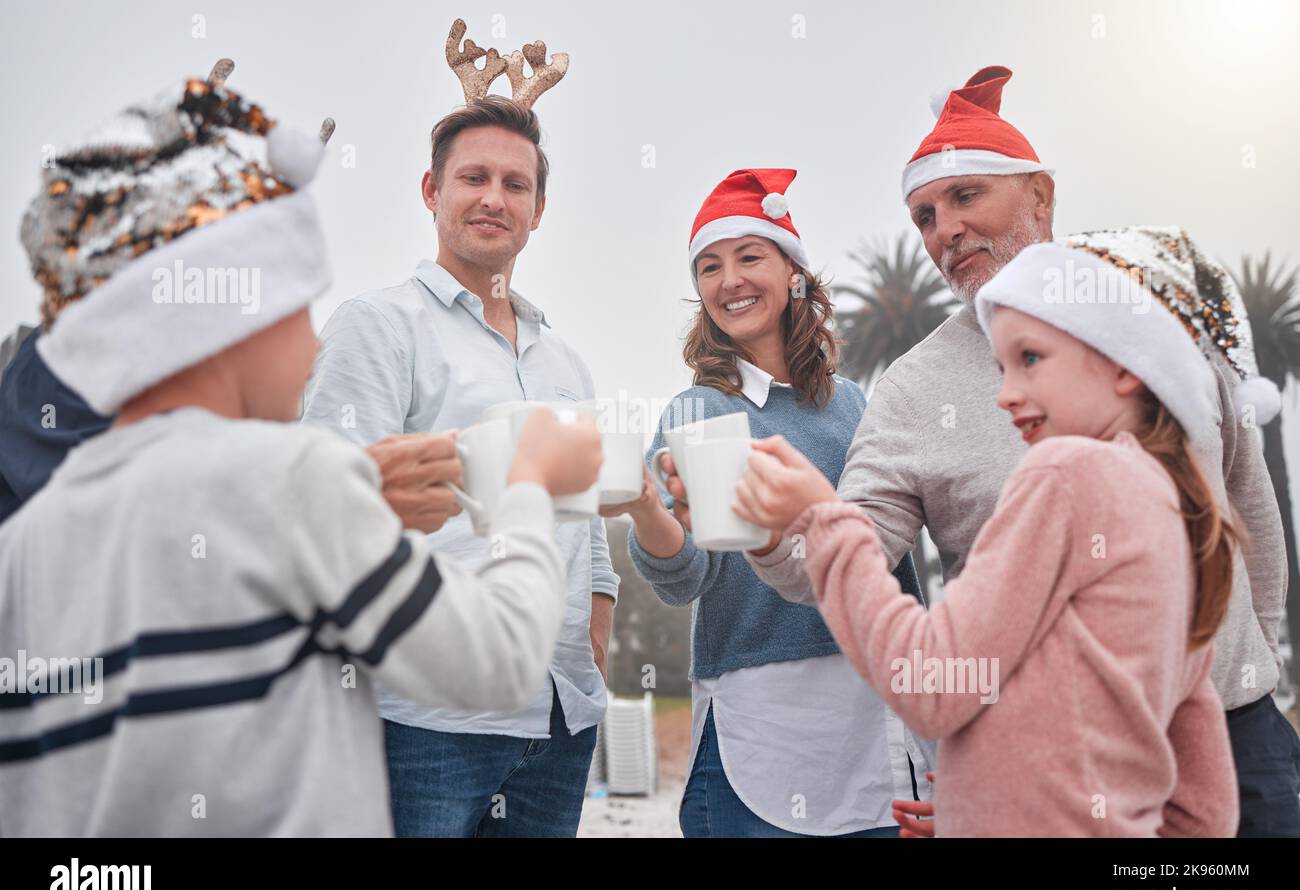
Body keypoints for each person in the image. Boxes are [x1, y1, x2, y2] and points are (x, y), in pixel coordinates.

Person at [0, 62, 601, 837]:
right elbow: (499, 657)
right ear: (236, 319)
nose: (313, 337)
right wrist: (523, 483)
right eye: (297, 303)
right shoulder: (297, 474)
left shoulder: (25, 543)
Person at [746, 65, 1297, 837]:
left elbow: (1245, 505)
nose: (944, 230)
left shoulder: (1154, 321)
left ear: (1039, 195)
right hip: (1072, 772)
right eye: (924, 216)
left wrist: (1257, 660)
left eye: (965, 197)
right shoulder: (912, 390)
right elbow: (853, 545)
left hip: (1240, 735)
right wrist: (774, 532)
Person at [735, 241, 1241, 836]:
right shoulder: (1176, 512)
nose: (1004, 394)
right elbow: (1203, 813)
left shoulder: (1067, 475)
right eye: (1002, 369)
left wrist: (823, 519)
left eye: (1030, 358)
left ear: (1124, 363)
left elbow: (932, 686)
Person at [301, 26, 617, 838]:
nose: (493, 198)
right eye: (472, 177)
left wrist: (594, 651)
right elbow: (324, 507)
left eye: (515, 184)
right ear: (430, 192)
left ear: (538, 210)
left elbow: (589, 533)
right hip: (424, 718)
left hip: (558, 722)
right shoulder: (376, 327)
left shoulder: (566, 364)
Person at [608, 168, 932, 837]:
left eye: (749, 256)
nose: (730, 281)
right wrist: (646, 508)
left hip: (874, 719)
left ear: (794, 273)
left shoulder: (854, 405)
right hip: (763, 725)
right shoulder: (697, 411)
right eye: (709, 267)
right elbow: (684, 578)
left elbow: (886, 555)